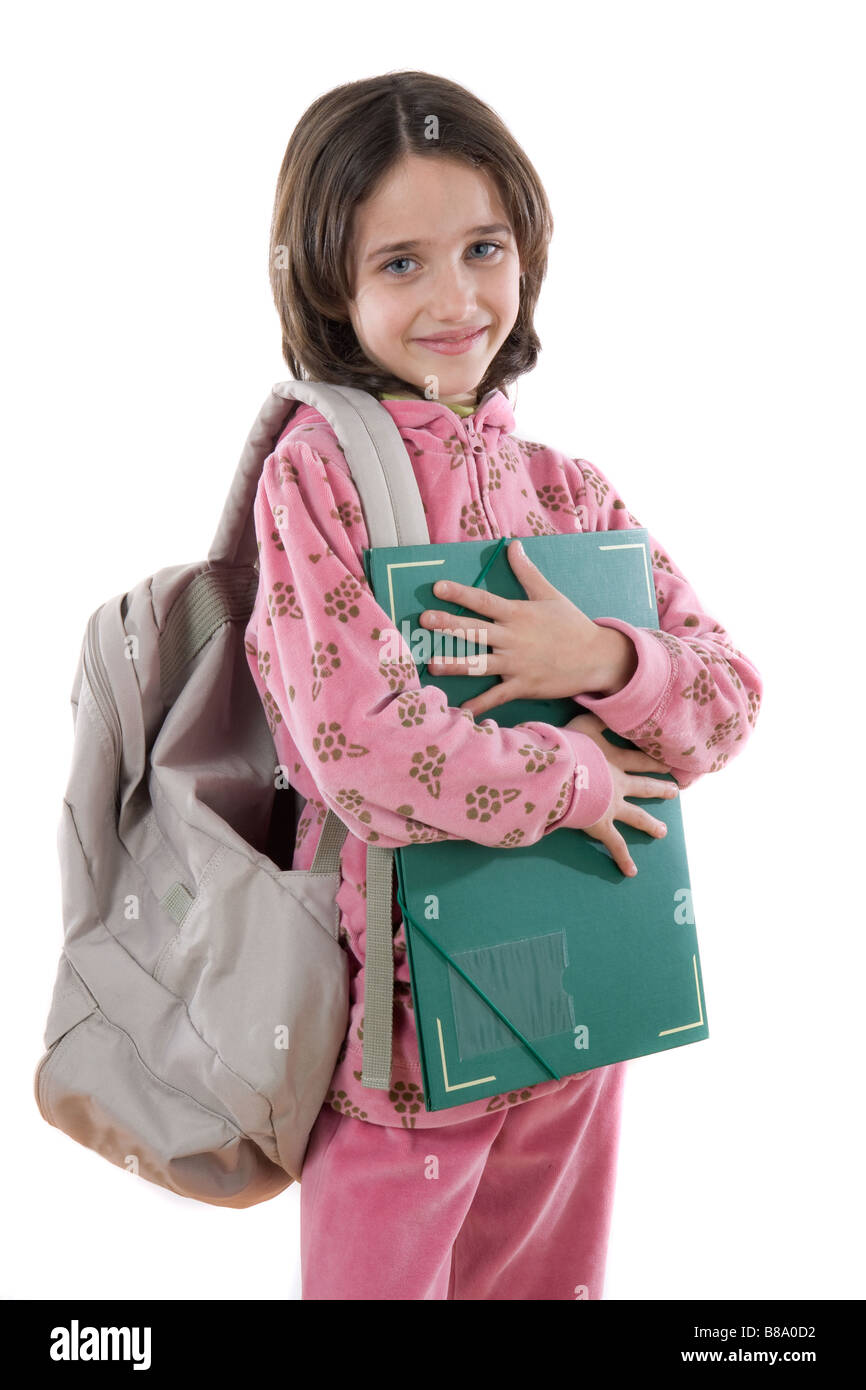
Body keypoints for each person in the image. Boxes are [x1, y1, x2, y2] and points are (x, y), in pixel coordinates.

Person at [244, 70, 763, 1300]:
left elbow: (728, 698)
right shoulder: (315, 479)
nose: (456, 296)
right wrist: (578, 777)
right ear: (329, 283)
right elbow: (367, 757)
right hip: (407, 1047)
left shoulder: (568, 489)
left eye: (482, 247)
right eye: (400, 263)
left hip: (584, 1014)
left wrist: (599, 660)